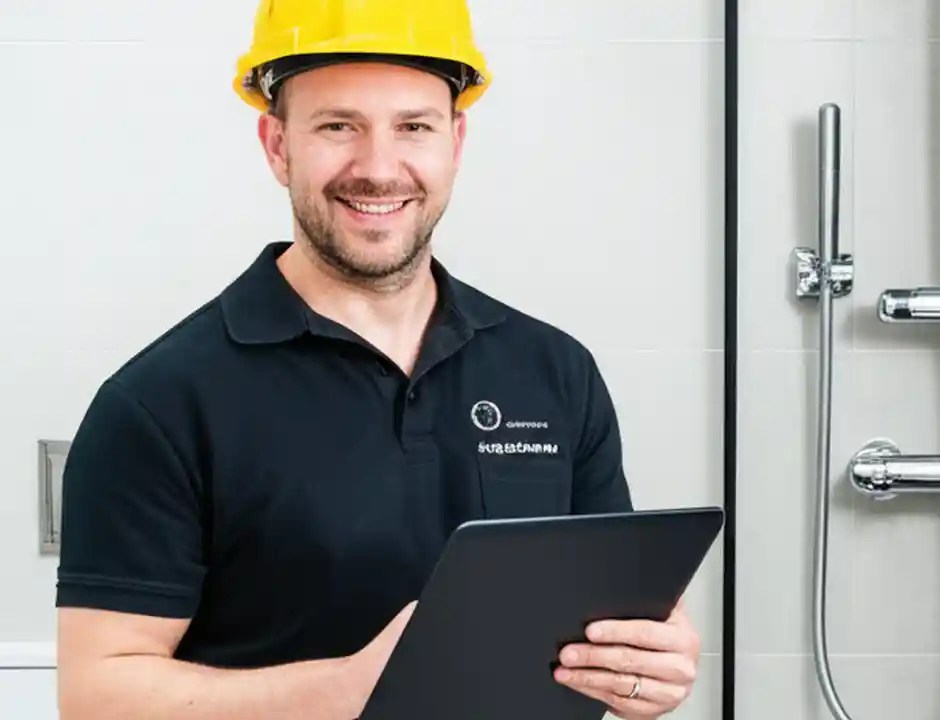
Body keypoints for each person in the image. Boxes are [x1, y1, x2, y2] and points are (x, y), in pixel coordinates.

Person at [54, 1, 701, 718]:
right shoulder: (161, 402)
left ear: (455, 141)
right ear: (277, 145)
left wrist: (640, 668)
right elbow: (96, 698)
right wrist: (347, 690)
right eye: (339, 126)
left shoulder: (555, 371)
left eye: (413, 127)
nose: (379, 169)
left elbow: (604, 620)